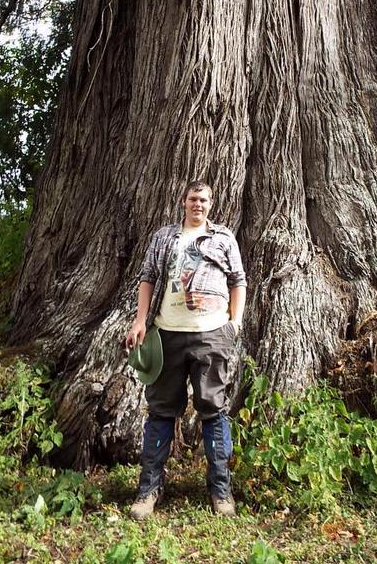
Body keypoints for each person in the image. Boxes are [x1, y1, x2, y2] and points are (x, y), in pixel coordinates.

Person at [125, 180, 247, 520]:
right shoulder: (164, 237)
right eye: (194, 198)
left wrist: (234, 323)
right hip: (167, 334)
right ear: (183, 202)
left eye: (204, 200)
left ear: (211, 204)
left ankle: (220, 490)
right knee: (161, 411)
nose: (199, 204)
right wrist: (140, 320)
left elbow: (239, 280)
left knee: (213, 410)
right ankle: (149, 490)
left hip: (211, 335)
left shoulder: (223, 238)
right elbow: (148, 277)